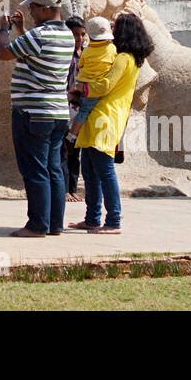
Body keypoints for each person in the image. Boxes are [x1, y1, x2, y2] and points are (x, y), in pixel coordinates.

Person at [0, 0, 75, 238]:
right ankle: (54, 224)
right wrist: (22, 30)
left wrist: (4, 30)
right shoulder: (67, 36)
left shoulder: (39, 36)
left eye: (32, 8)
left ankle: (37, 225)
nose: (30, 11)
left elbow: (3, 53)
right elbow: (36, 53)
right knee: (53, 169)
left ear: (45, 8)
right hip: (57, 113)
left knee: (35, 169)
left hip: (32, 111)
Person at [72, 12, 152, 234]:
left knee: (104, 172)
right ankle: (92, 218)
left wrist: (81, 88)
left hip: (104, 119)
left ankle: (113, 220)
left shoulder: (123, 58)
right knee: (88, 171)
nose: (112, 32)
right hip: (98, 118)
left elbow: (105, 85)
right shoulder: (130, 59)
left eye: (116, 28)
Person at [62, 16, 86, 203]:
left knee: (75, 150)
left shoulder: (86, 55)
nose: (79, 38)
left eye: (82, 34)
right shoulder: (63, 54)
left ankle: (72, 187)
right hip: (63, 106)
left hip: (79, 108)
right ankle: (63, 190)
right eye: (75, 34)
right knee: (63, 148)